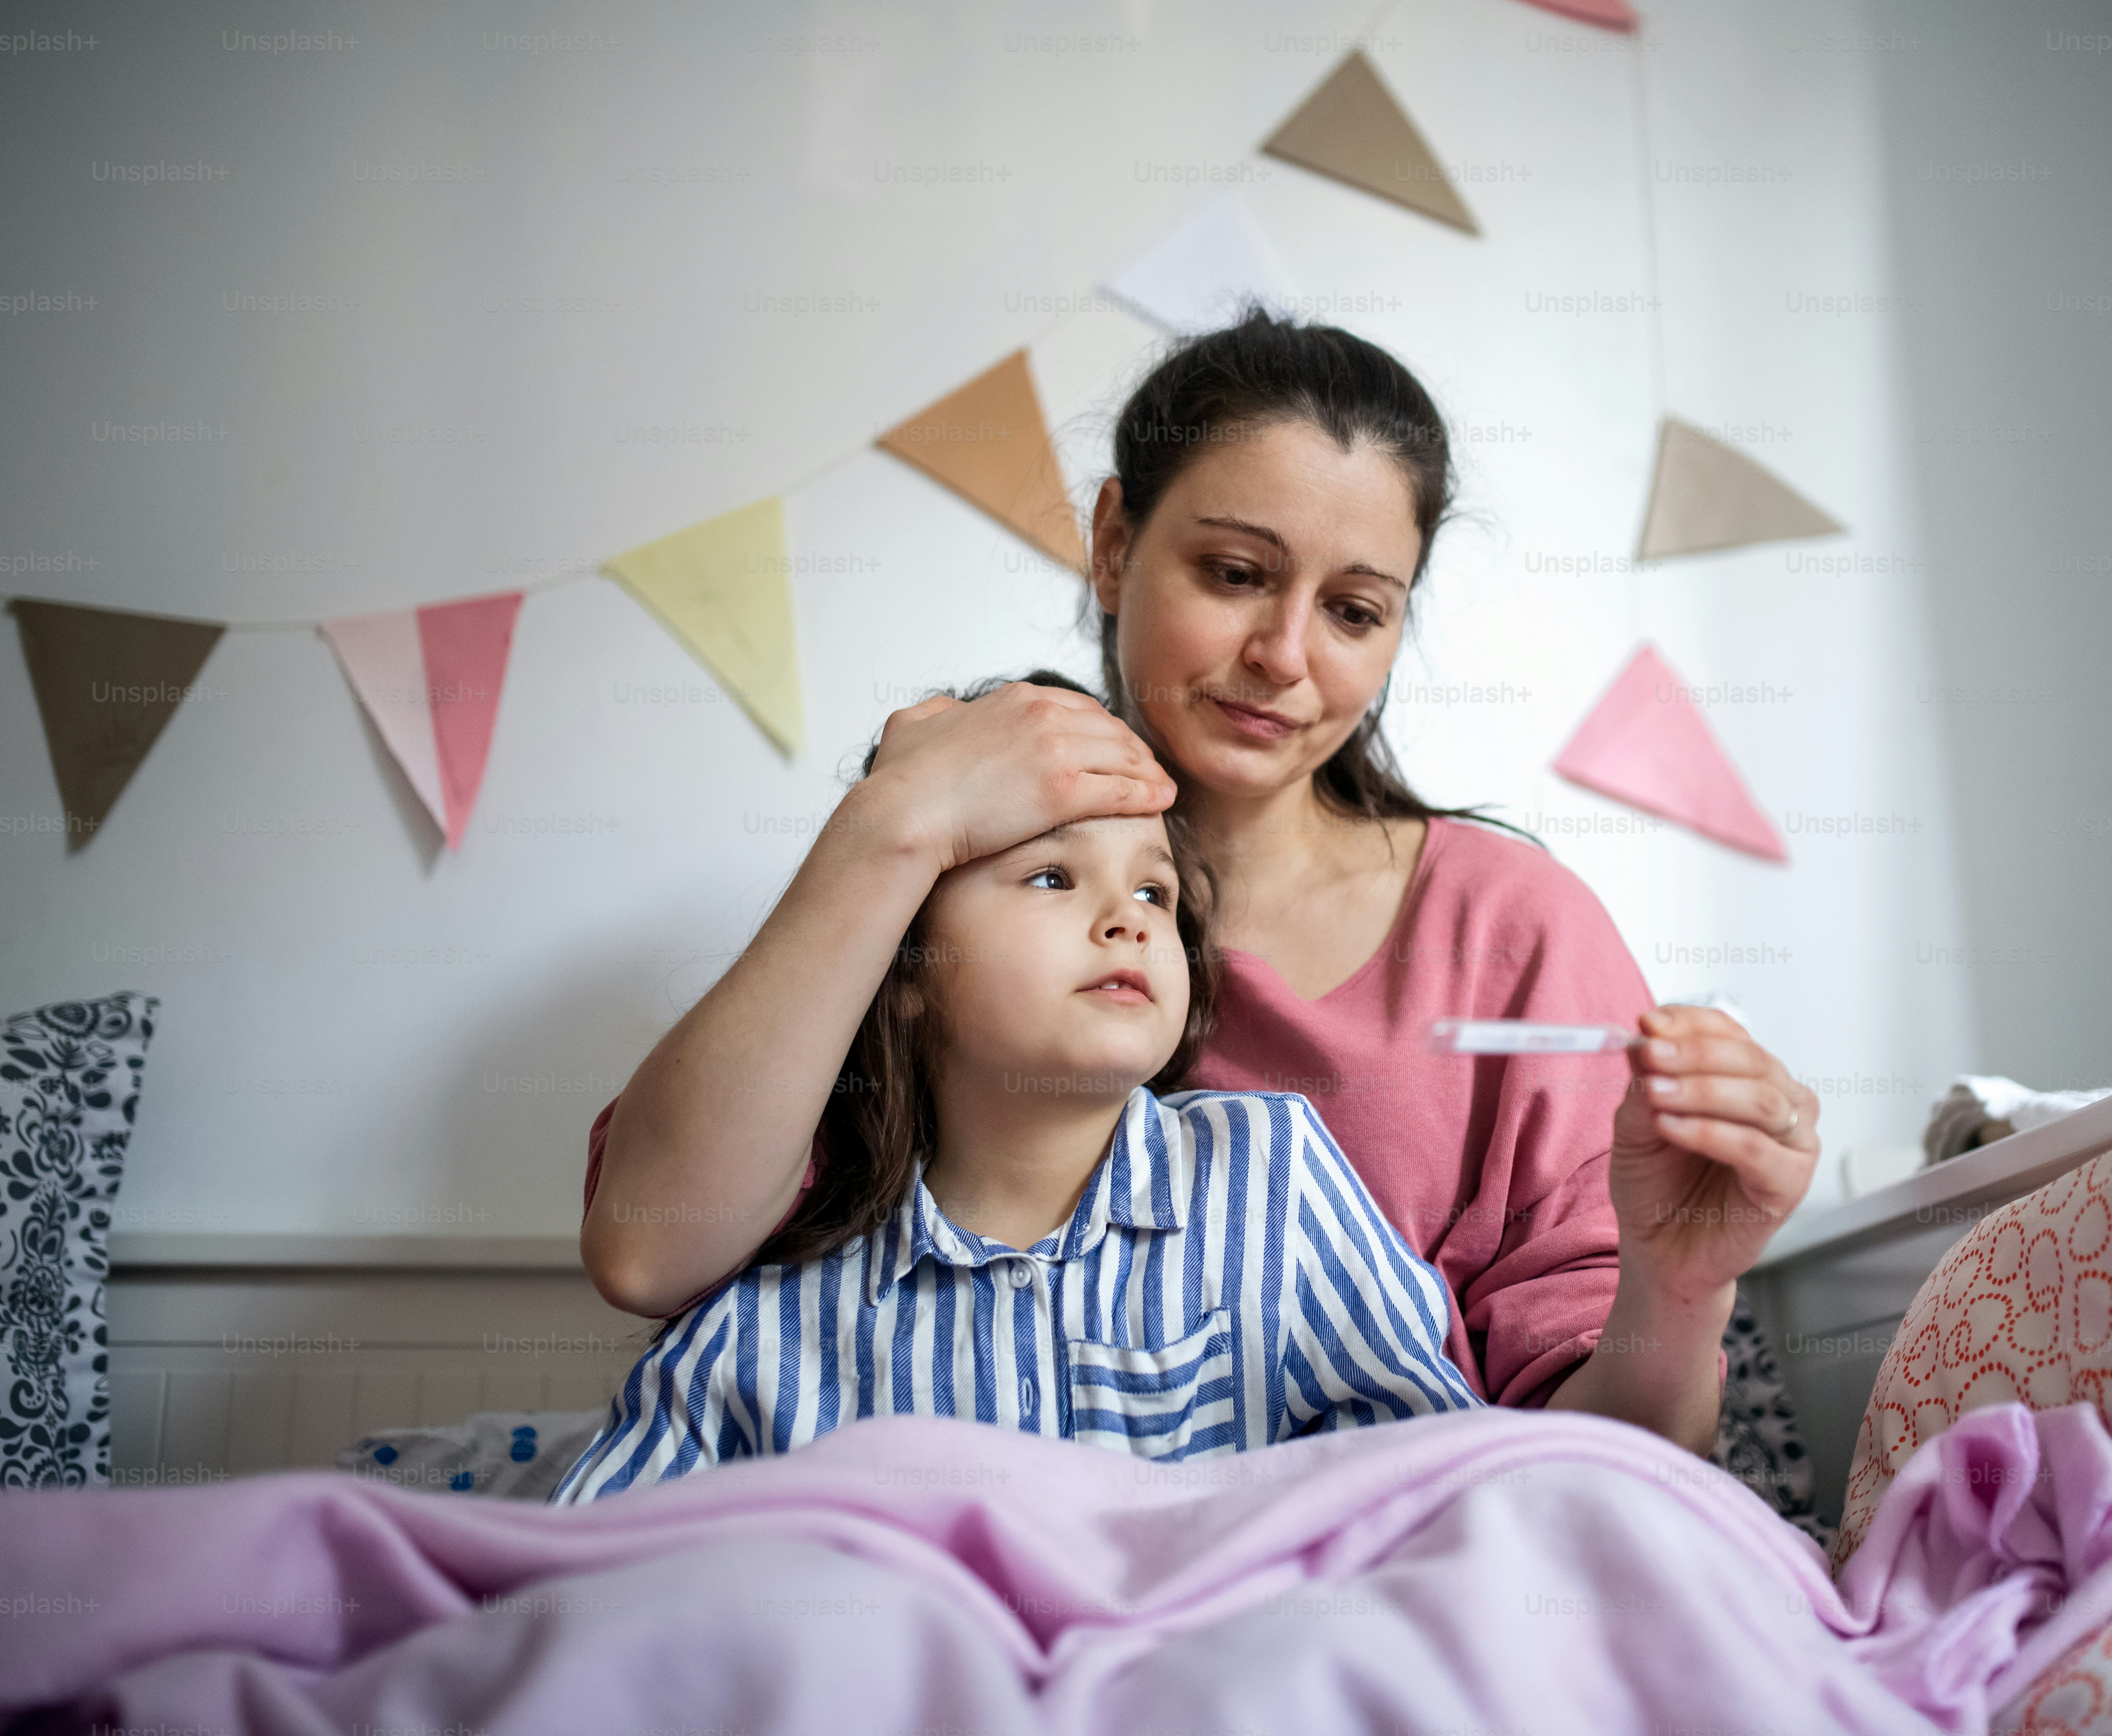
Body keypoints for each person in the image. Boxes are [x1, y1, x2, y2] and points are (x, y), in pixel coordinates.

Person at [580, 311, 1820, 1455]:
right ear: (1116, 543)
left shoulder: (1512, 930)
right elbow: (648, 1254)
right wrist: (889, 829)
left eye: (1352, 610)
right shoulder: (947, 866)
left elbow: (1619, 1477)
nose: (1284, 657)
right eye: (1234, 574)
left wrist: (1680, 1290)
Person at [557, 687, 1478, 1501]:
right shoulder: (774, 1286)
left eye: (1156, 892)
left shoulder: (1273, 1173)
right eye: (1050, 876)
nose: (1129, 917)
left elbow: (1435, 1468)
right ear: (905, 962)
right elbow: (619, 1568)